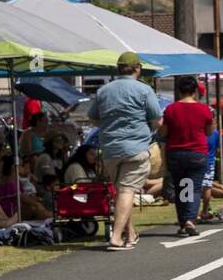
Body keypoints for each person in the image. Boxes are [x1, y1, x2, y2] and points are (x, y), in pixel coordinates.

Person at [87, 52, 162, 250]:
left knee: (121, 192)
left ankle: (130, 234)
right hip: (136, 148)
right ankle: (116, 236)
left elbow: (93, 119)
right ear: (138, 68)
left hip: (110, 149)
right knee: (127, 191)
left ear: (118, 68)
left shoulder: (104, 91)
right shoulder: (144, 90)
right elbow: (157, 120)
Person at [161, 74, 214, 237]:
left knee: (181, 187)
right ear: (195, 90)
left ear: (179, 90)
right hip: (197, 153)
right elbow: (209, 132)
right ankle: (190, 219)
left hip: (176, 152)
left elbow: (164, 132)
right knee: (194, 188)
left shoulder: (171, 109)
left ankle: (184, 222)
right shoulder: (204, 109)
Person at [0, 143, 20, 229]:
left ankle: (4, 219)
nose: (4, 152)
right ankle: (3, 223)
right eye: (2, 150)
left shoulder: (0, 163)